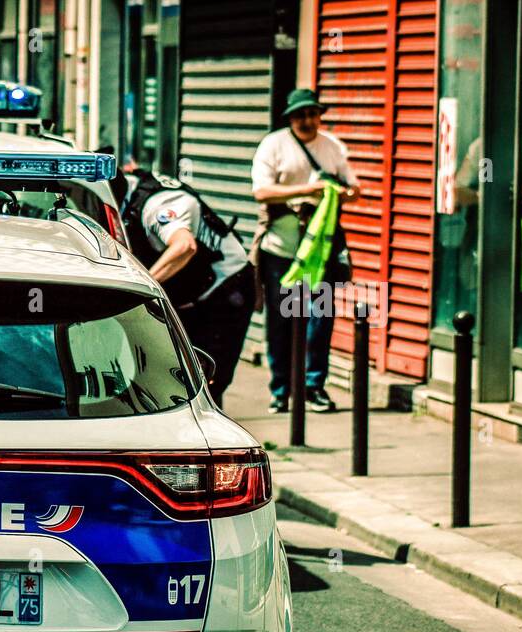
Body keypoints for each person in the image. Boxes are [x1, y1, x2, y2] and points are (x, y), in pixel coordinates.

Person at [251, 88, 360, 413]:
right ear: (290, 118)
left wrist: (340, 193)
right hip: (280, 252)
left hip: (320, 254)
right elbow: (261, 191)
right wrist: (307, 190)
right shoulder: (274, 145)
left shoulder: (331, 147)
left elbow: (354, 190)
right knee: (281, 321)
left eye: (313, 114)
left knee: (320, 319)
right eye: (300, 115)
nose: (308, 120)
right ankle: (281, 390)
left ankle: (314, 387)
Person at [111, 169, 255, 406]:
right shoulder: (125, 194)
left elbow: (184, 247)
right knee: (174, 375)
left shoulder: (158, 204)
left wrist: (139, 287)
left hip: (223, 291)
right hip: (187, 293)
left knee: (206, 380)